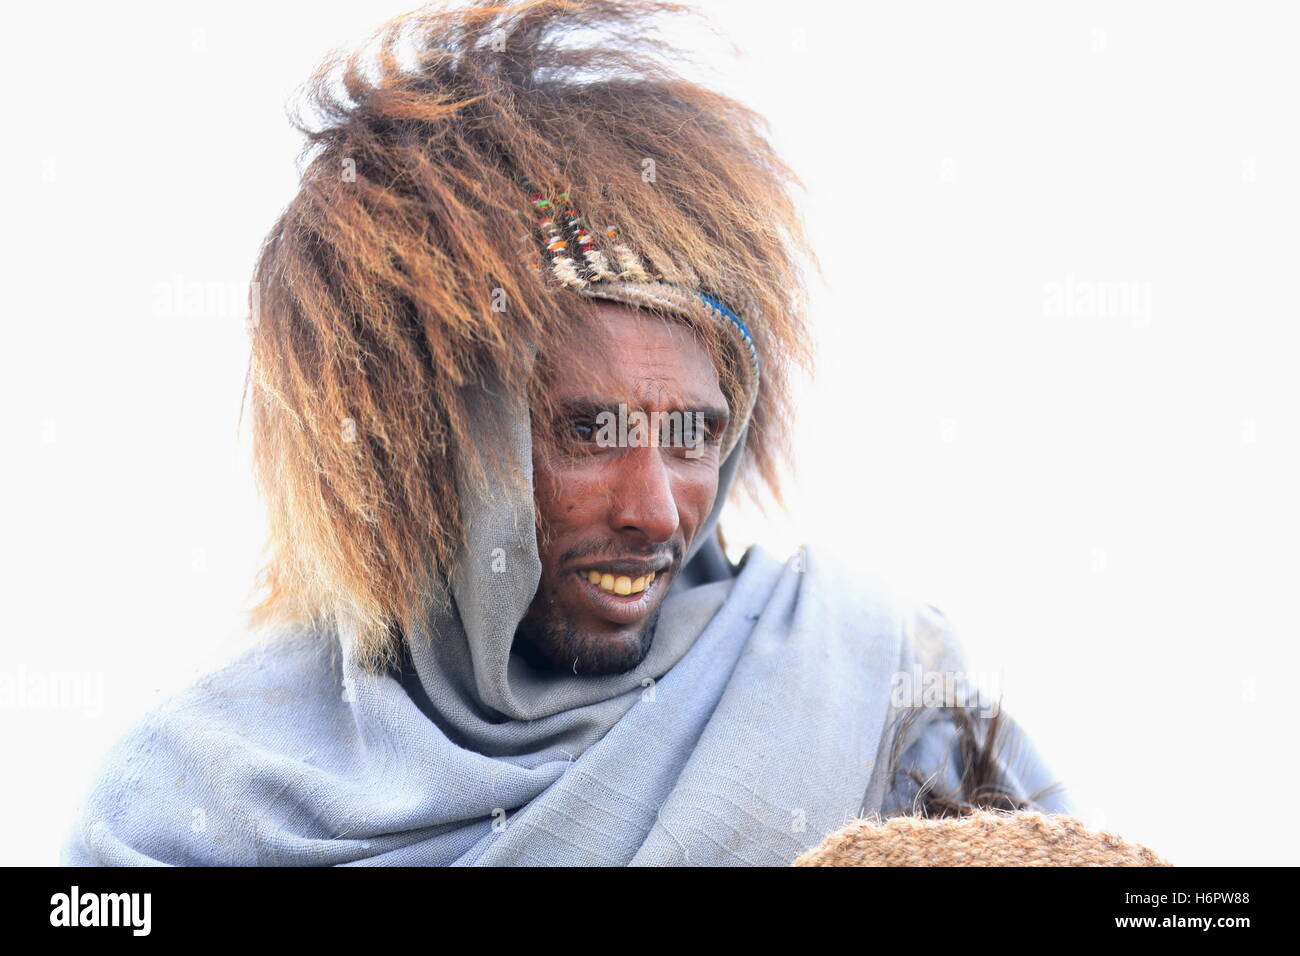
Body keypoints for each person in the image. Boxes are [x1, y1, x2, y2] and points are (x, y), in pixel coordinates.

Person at [63, 0, 1069, 867]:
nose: (654, 508)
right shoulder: (198, 794)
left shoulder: (864, 685)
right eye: (585, 431)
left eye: (693, 434)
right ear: (432, 450)